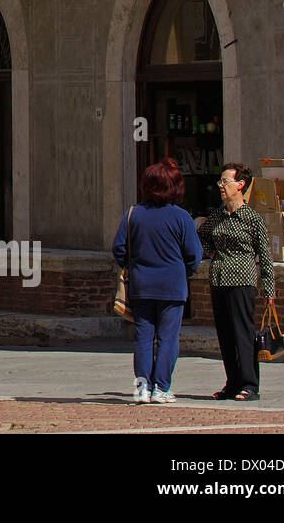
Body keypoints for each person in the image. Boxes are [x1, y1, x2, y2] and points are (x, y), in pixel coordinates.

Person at [112, 158, 202, 403]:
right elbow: (194, 254)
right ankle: (161, 387)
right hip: (172, 284)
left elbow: (119, 248)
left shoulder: (134, 214)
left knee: (142, 337)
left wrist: (131, 266)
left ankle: (142, 387)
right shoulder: (182, 217)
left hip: (141, 284)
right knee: (168, 338)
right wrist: (186, 272)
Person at [197, 161, 275, 402]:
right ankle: (232, 382)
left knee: (243, 333)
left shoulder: (252, 218)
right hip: (219, 278)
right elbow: (201, 235)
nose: (221, 185)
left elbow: (265, 255)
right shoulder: (218, 216)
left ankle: (250, 384)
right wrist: (211, 252)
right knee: (225, 334)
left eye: (225, 181)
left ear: (240, 185)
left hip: (242, 280)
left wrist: (269, 289)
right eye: (220, 182)